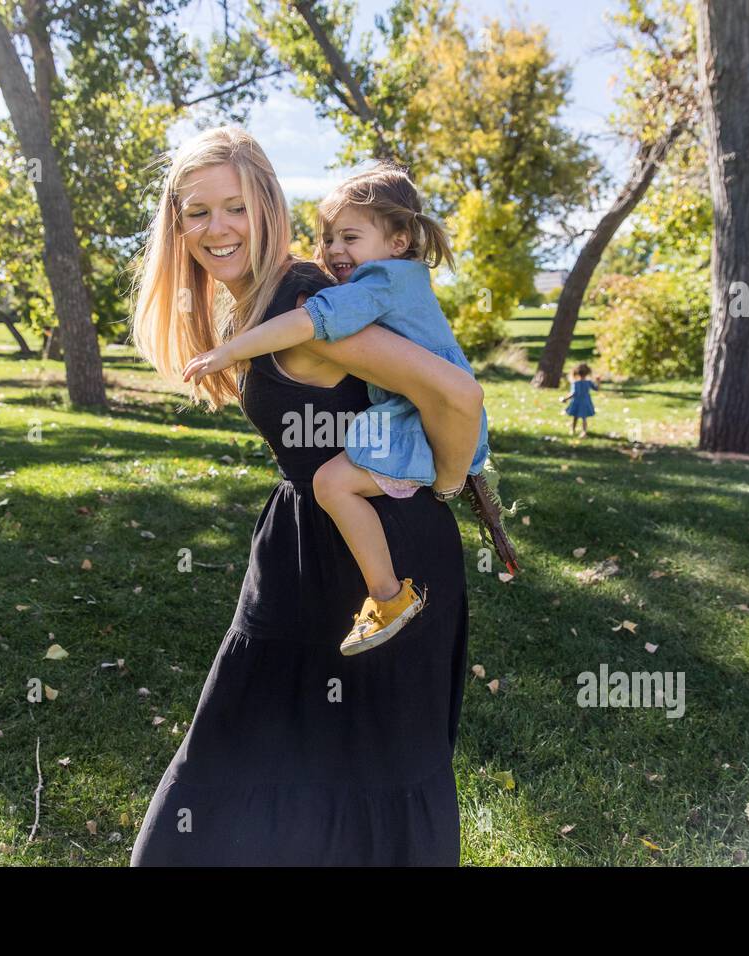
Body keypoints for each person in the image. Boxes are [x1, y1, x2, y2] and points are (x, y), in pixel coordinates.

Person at [127, 126, 481, 865]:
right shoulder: (258, 304)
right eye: (197, 213)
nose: (216, 229)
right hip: (302, 546)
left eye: (234, 208)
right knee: (245, 753)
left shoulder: (304, 299)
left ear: (267, 209)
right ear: (178, 225)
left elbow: (454, 391)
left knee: (367, 770)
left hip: (381, 555)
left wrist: (445, 482)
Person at [181, 163, 504, 656]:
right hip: (339, 517)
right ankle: (387, 594)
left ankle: (388, 595)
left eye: (349, 236)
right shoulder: (387, 280)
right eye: (328, 238)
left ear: (398, 241)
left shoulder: (371, 286)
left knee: (333, 482)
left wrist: (449, 480)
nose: (333, 252)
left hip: (401, 477)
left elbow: (311, 323)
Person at [561, 362, 600, 436]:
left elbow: (574, 393)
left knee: (575, 418)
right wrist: (598, 381)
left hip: (577, 402)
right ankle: (584, 431)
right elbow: (596, 388)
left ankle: (573, 430)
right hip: (586, 402)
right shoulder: (588, 382)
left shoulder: (576, 383)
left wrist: (565, 399)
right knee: (584, 418)